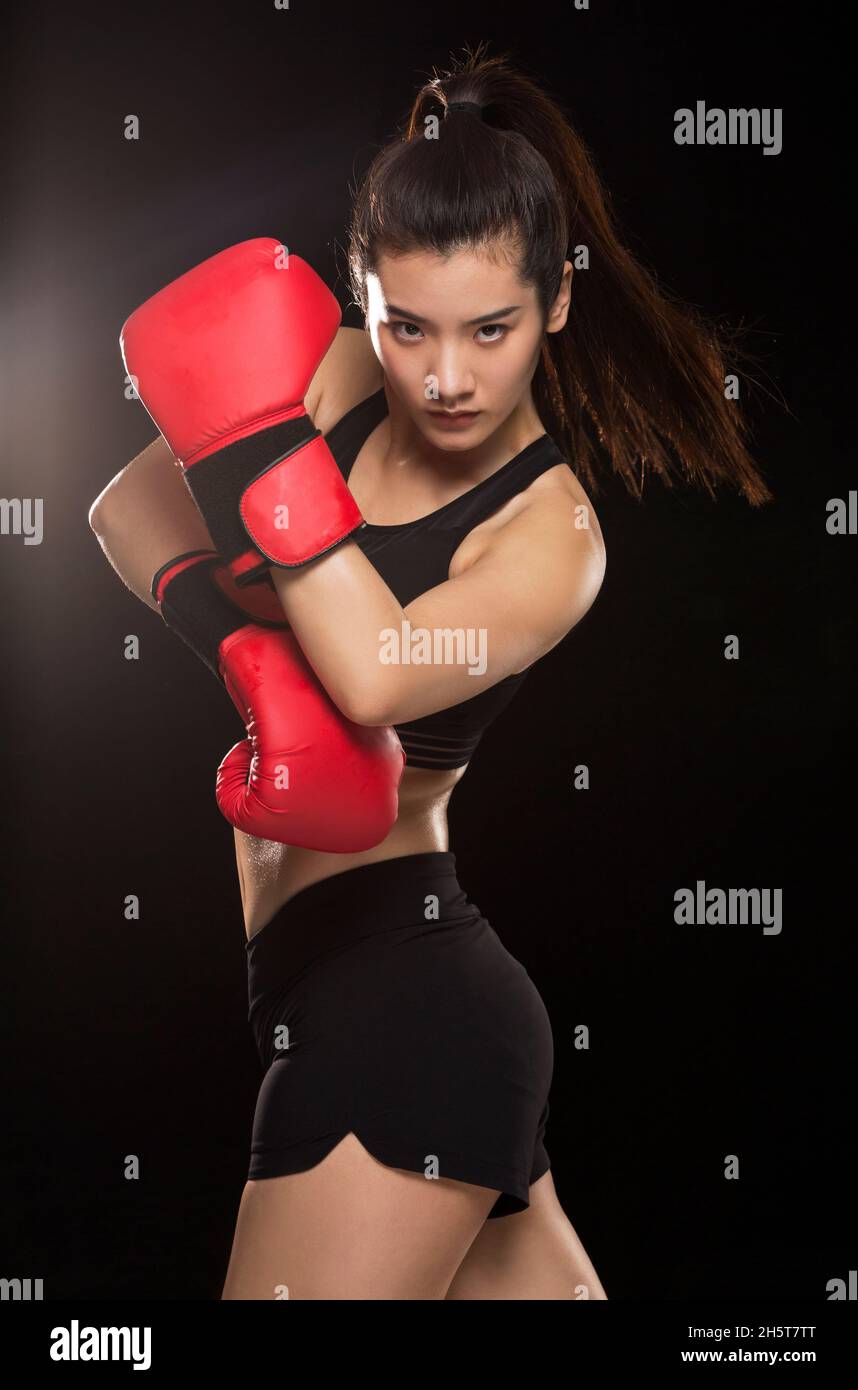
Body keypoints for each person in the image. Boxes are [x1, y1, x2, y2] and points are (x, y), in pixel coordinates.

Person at [89, 43, 770, 1300]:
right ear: (362, 293)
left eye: (489, 330)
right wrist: (242, 654)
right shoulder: (335, 371)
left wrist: (265, 477)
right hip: (332, 984)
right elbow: (130, 505)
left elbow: (380, 673)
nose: (445, 376)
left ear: (554, 304)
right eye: (407, 326)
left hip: (402, 998)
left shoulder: (549, 534)